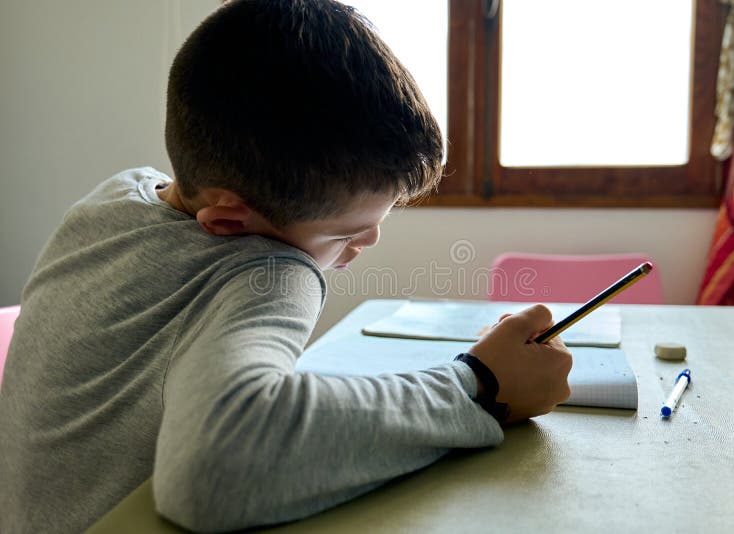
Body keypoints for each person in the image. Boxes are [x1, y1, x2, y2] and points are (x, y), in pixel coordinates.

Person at [0, 1, 572, 532]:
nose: (369, 240)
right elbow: (211, 474)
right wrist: (478, 385)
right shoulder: (269, 269)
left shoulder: (115, 197)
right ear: (228, 220)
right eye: (346, 232)